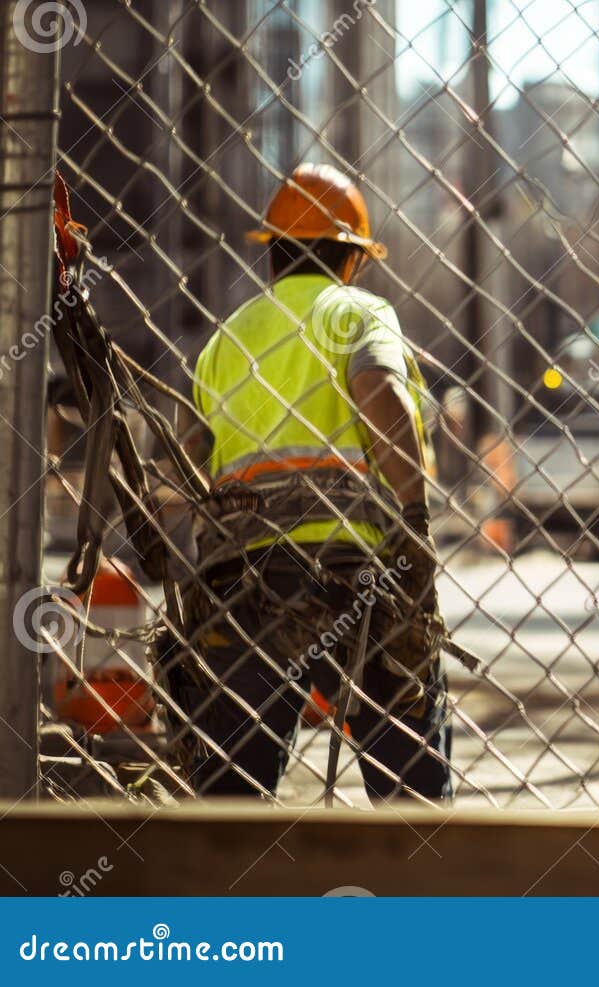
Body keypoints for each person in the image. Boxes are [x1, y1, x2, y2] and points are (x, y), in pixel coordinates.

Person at [180, 163, 450, 801]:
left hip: (242, 585)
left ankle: (218, 891)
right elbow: (381, 392)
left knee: (231, 792)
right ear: (351, 260)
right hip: (352, 575)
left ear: (271, 255)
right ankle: (425, 884)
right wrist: (414, 520)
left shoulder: (226, 339)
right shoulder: (358, 312)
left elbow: (191, 455)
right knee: (409, 781)